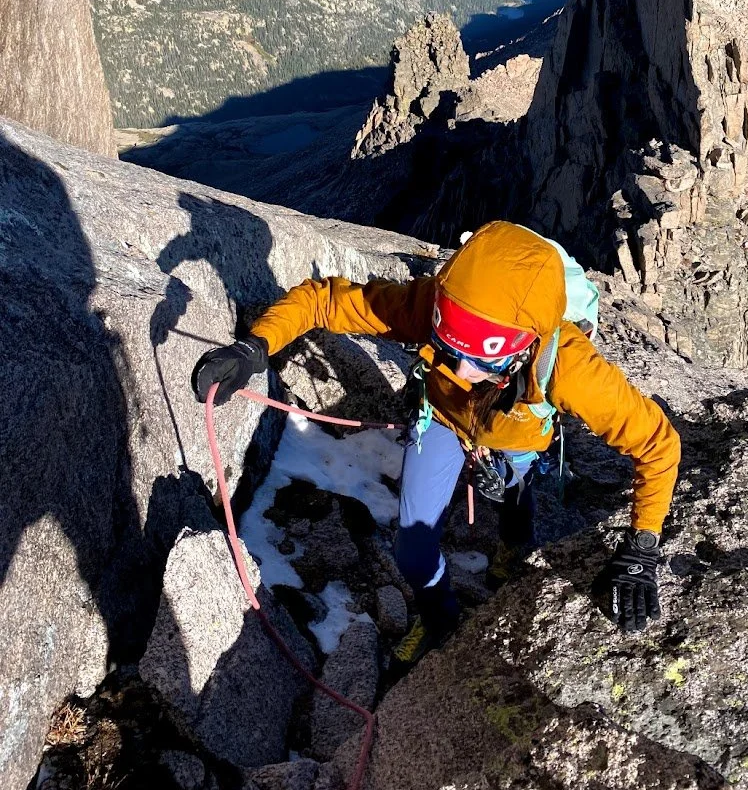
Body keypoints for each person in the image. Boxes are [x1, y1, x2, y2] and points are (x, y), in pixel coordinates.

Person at [193, 221, 680, 670]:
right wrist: (255, 346)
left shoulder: (571, 367)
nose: (463, 374)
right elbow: (324, 300)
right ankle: (441, 619)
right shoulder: (432, 308)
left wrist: (641, 547)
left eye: (481, 362)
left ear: (528, 344)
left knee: (514, 490)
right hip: (445, 424)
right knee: (413, 552)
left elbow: (658, 443)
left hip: (520, 434)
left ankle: (514, 543)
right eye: (451, 353)